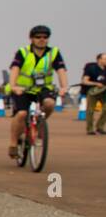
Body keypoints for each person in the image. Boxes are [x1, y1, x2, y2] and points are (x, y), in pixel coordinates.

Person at [7, 24, 68, 158]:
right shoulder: (23, 52)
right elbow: (15, 69)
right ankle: (13, 144)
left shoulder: (54, 53)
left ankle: (40, 125)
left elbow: (61, 71)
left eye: (45, 37)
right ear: (31, 38)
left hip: (43, 88)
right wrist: (13, 86)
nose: (42, 39)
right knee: (22, 114)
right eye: (38, 37)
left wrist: (64, 87)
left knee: (49, 104)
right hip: (23, 88)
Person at [81, 53, 106, 135]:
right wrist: (96, 84)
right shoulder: (91, 68)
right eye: (105, 59)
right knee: (90, 111)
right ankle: (90, 129)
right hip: (93, 92)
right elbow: (85, 81)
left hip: (104, 92)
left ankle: (100, 126)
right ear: (99, 60)